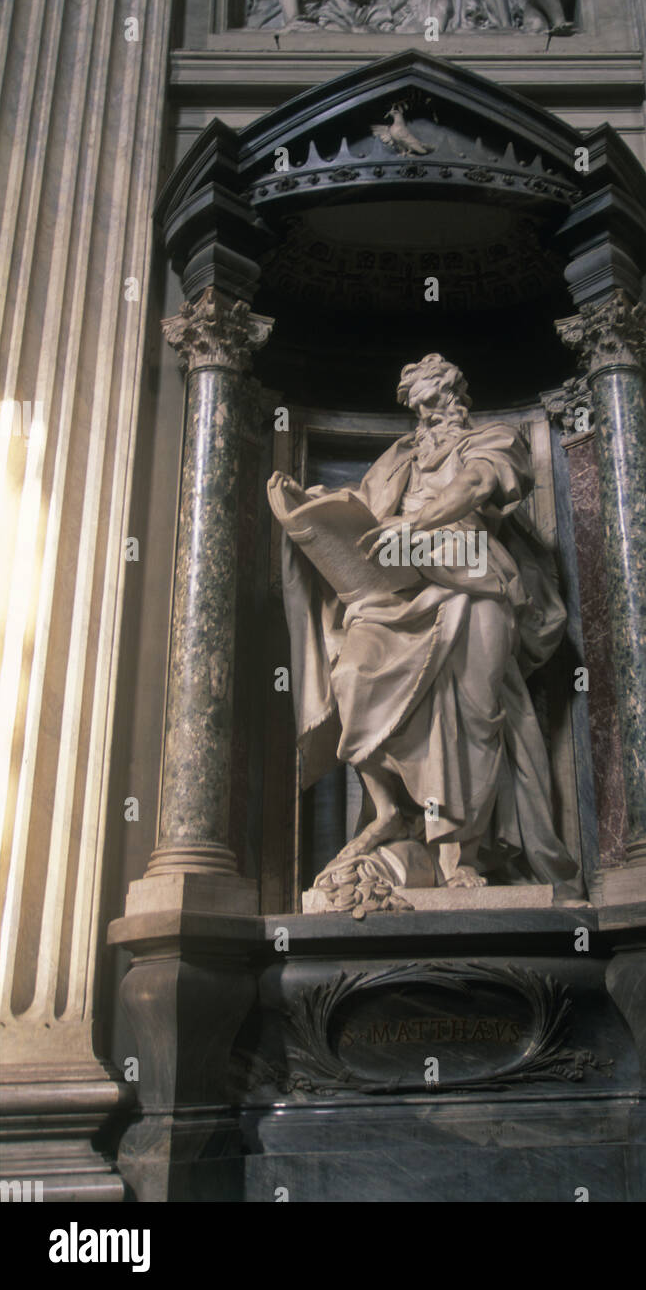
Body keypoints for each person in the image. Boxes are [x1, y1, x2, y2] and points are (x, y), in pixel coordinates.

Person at [268, 353, 578, 892]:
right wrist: (310, 506)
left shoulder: (495, 439)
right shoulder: (399, 456)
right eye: (416, 406)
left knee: (474, 716)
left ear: (455, 395)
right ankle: (388, 809)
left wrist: (415, 523)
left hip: (474, 576)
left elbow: (480, 485)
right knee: (352, 673)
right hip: (395, 588)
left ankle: (463, 856)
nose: (425, 414)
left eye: (432, 400)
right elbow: (361, 510)